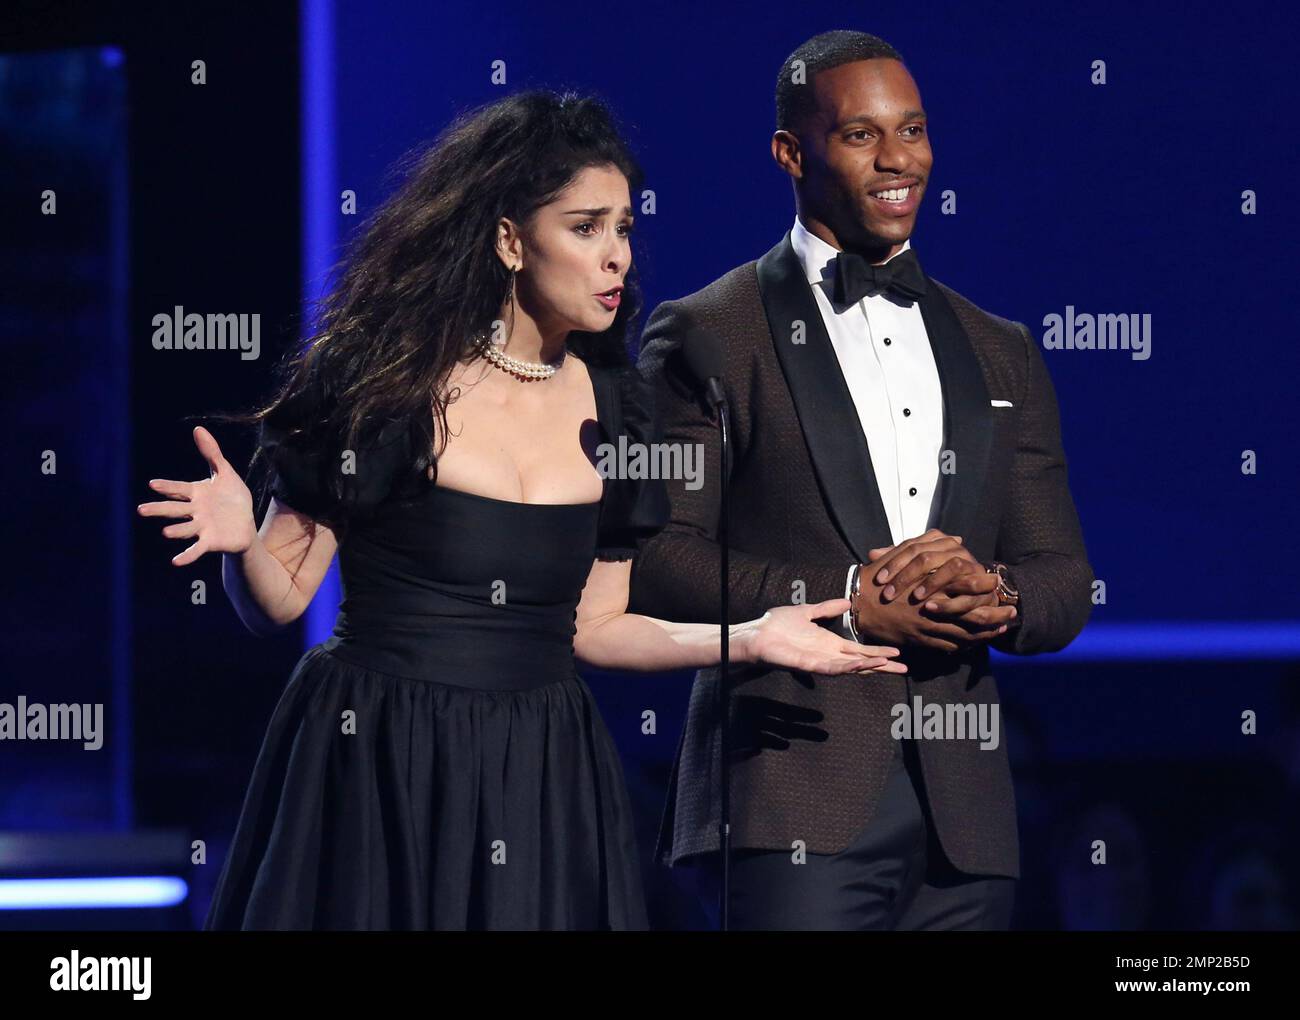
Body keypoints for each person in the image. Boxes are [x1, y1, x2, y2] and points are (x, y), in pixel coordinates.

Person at [136, 91, 905, 931]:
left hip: (536, 766)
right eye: (585, 228)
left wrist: (750, 637)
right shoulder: (386, 385)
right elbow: (280, 600)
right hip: (379, 746)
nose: (616, 257)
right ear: (509, 240)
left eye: (623, 228)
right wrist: (241, 541)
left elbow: (597, 626)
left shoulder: (622, 412)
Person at [629, 31, 1094, 930]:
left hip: (965, 823)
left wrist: (994, 595)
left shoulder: (1001, 351)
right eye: (861, 135)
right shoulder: (706, 334)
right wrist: (846, 601)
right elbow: (656, 563)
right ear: (790, 154)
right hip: (787, 795)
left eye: (913, 130)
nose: (898, 160)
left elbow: (1063, 580)